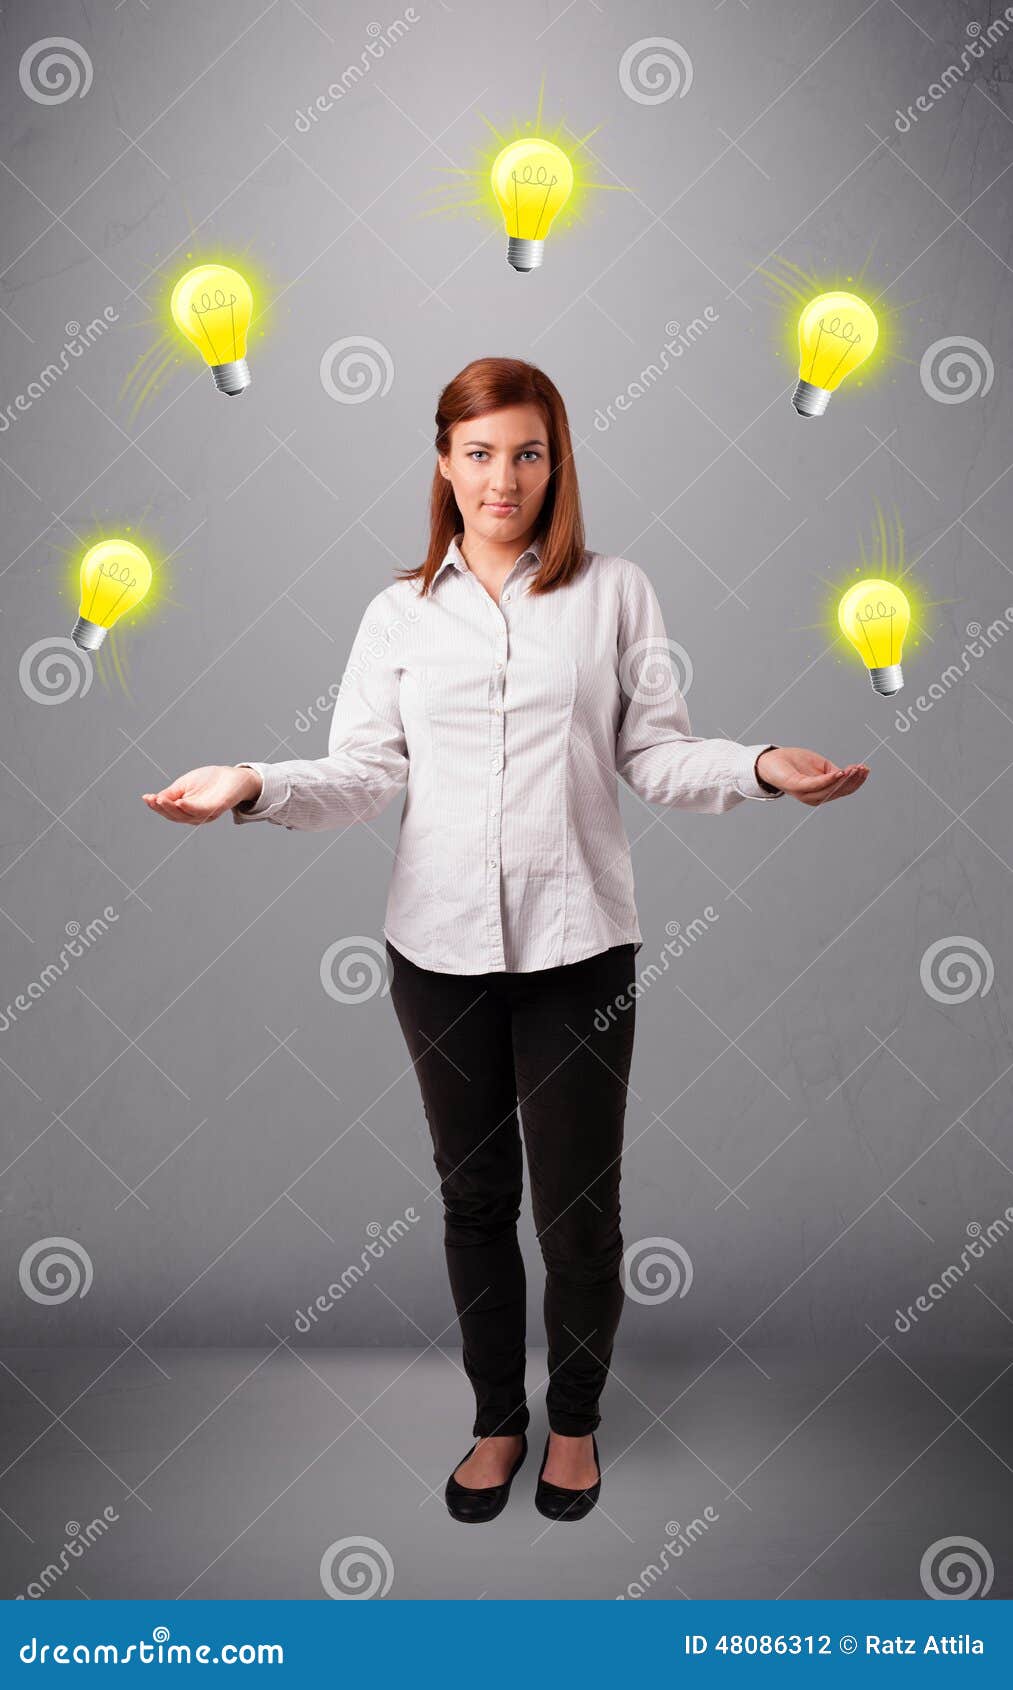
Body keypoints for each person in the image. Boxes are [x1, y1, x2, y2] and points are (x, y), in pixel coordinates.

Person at [142, 356, 869, 1525]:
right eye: (478, 452)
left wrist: (757, 767)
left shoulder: (614, 592)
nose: (502, 477)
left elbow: (651, 753)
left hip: (579, 945)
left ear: (555, 461)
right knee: (473, 1199)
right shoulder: (397, 610)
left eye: (526, 452)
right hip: (436, 955)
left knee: (577, 1205)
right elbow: (362, 772)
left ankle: (572, 1420)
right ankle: (497, 1419)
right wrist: (250, 783)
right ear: (443, 460)